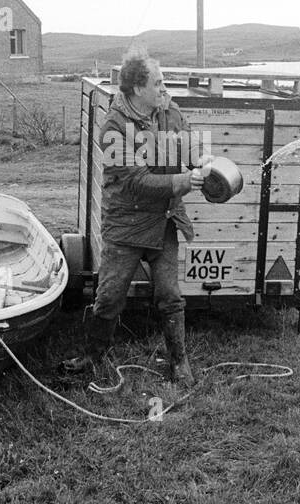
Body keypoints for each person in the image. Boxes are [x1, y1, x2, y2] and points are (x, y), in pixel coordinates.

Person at [63, 48, 211, 384]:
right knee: (110, 296)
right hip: (126, 225)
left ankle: (179, 361)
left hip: (164, 220)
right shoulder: (114, 127)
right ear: (137, 89)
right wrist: (185, 180)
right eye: (157, 83)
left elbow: (188, 143)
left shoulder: (168, 111)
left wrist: (201, 159)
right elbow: (137, 181)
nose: (163, 88)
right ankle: (92, 356)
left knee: (170, 296)